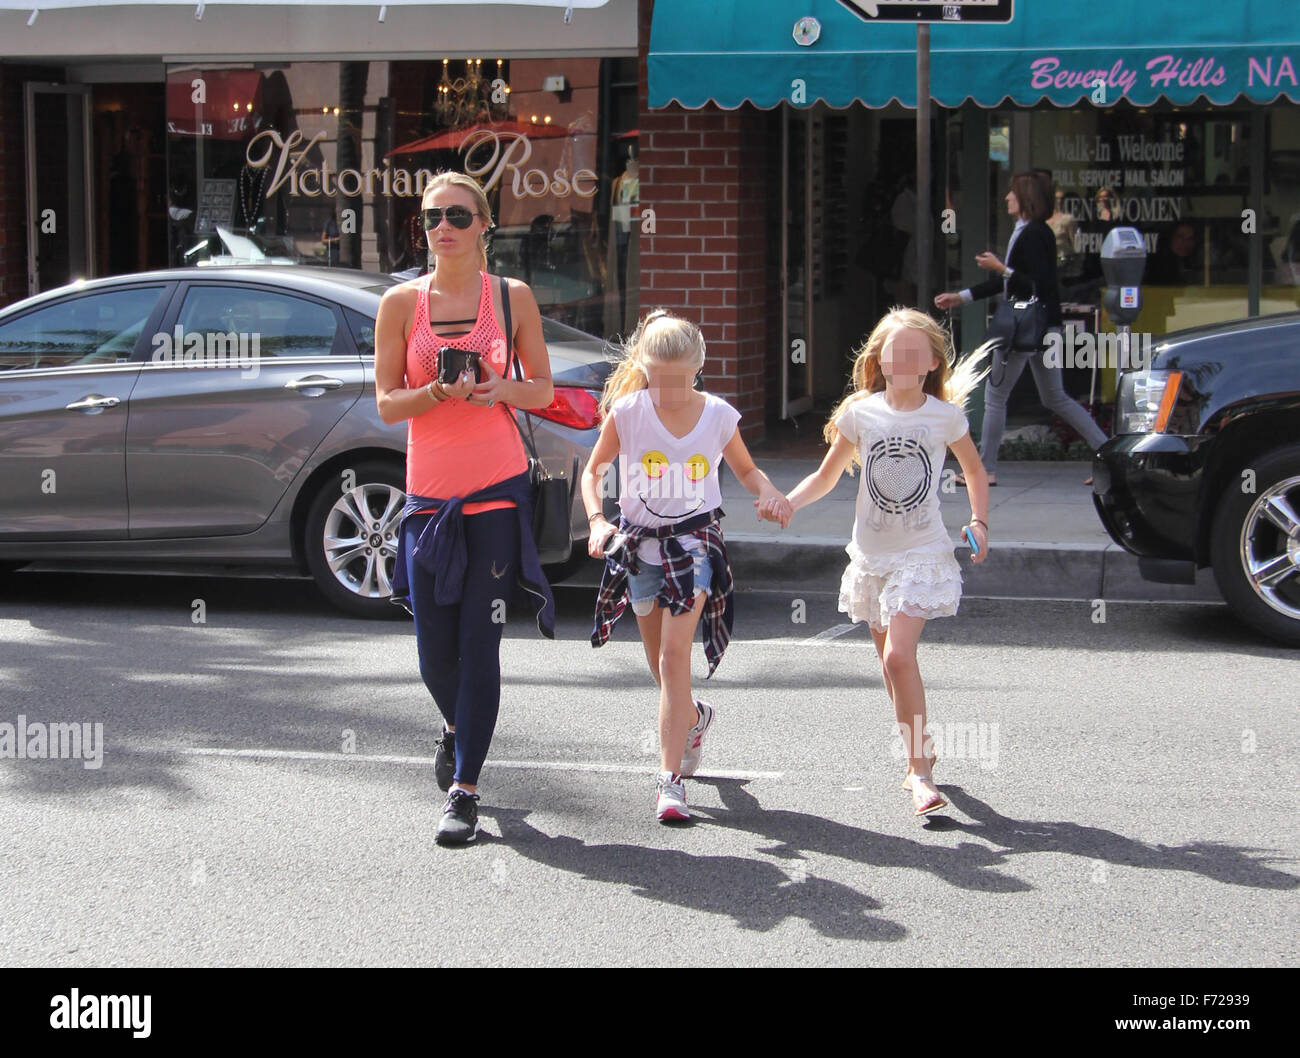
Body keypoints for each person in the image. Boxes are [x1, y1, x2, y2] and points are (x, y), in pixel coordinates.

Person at [374, 171, 556, 847]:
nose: (441, 228)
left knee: (481, 646)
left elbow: (543, 392)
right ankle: (456, 726)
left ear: (485, 225)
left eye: (456, 215)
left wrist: (495, 389)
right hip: (428, 497)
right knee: (432, 653)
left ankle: (465, 789)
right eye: (429, 218)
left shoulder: (512, 298)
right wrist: (437, 395)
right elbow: (388, 402)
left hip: (497, 490)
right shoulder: (400, 303)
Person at [765, 309, 990, 815]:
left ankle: (919, 772)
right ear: (879, 360)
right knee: (890, 667)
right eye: (894, 351)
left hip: (922, 553)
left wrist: (979, 522)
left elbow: (975, 471)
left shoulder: (943, 416)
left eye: (915, 352)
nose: (904, 360)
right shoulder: (860, 413)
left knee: (897, 657)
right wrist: (788, 502)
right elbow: (826, 477)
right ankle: (919, 747)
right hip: (871, 557)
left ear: (932, 362)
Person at [581, 310, 792, 823]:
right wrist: (595, 521)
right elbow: (594, 471)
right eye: (658, 378)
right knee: (660, 667)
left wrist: (767, 492)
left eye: (680, 380)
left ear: (698, 368)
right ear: (642, 366)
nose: (669, 391)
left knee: (676, 659)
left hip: (696, 545)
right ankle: (694, 719)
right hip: (638, 547)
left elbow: (745, 468)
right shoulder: (628, 412)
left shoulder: (718, 415)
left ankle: (669, 781)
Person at [934, 171, 1107, 486]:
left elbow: (1037, 284)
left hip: (1024, 328)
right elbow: (1010, 280)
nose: (1006, 198)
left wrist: (1002, 268)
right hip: (1041, 326)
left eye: (1012, 193)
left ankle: (985, 469)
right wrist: (962, 297)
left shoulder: (1034, 233)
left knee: (996, 395)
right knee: (1055, 397)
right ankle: (1108, 456)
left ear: (1025, 199)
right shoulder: (1029, 231)